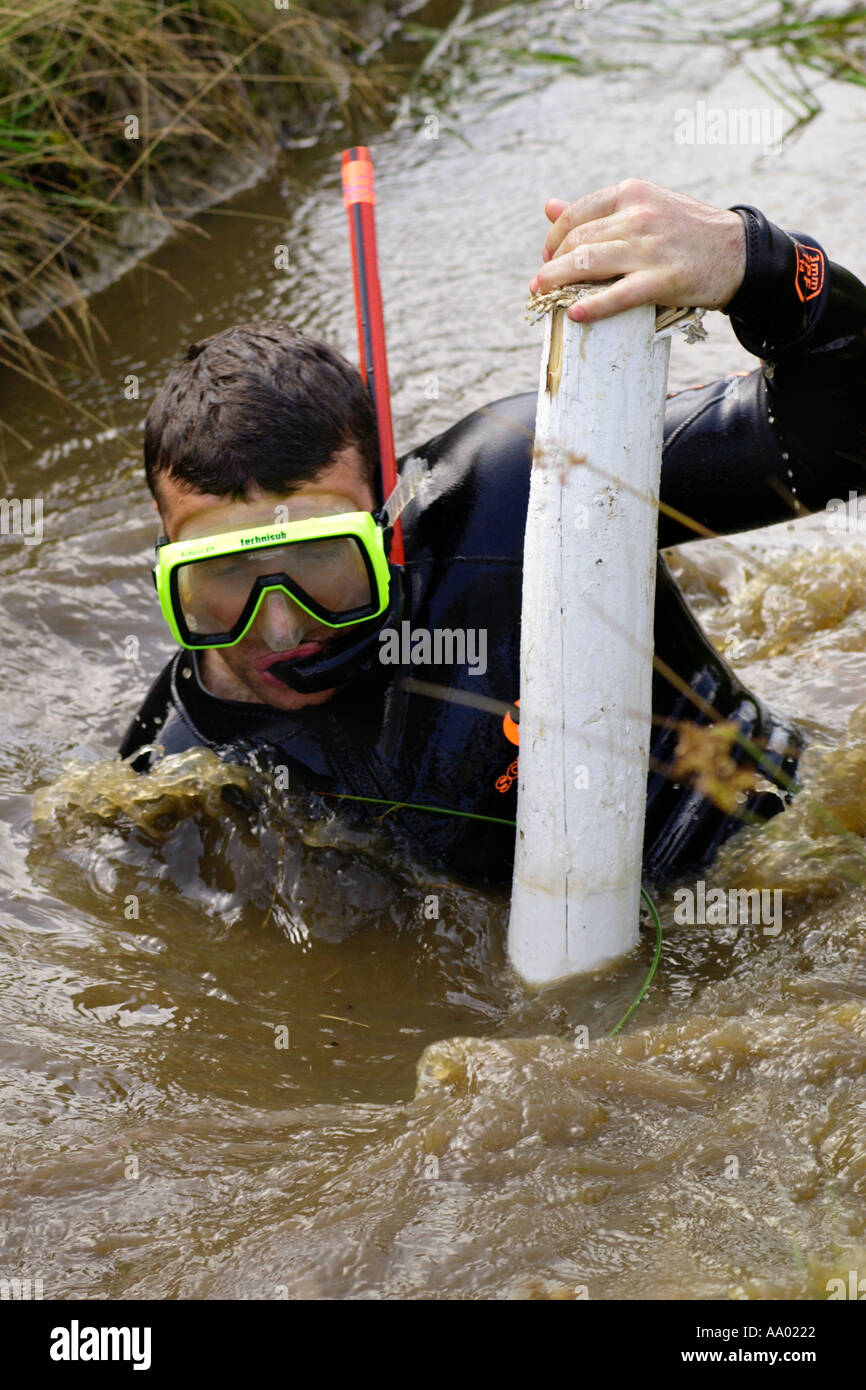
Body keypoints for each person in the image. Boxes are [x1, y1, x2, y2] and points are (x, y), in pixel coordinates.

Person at [119, 180, 866, 889]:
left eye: (320, 558)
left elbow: (845, 432)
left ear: (389, 508)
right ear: (167, 567)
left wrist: (754, 260)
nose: (280, 627)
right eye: (221, 578)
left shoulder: (526, 488)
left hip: (785, 855)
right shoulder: (180, 757)